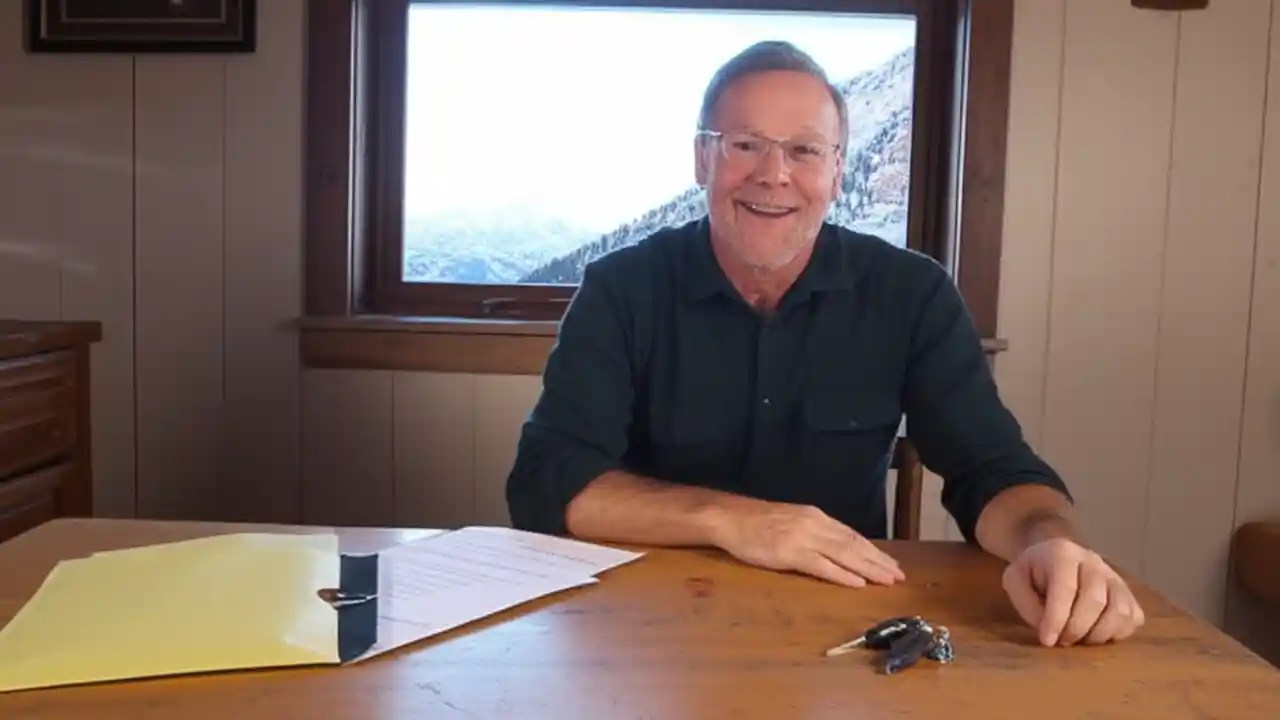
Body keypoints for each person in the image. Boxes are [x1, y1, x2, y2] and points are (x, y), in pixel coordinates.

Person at [506, 40, 1144, 648]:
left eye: (805, 150)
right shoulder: (622, 288)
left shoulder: (910, 293)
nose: (774, 175)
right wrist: (736, 521)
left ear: (838, 171)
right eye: (745, 144)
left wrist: (1048, 541)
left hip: (848, 626)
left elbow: (993, 468)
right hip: (640, 621)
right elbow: (547, 483)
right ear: (702, 160)